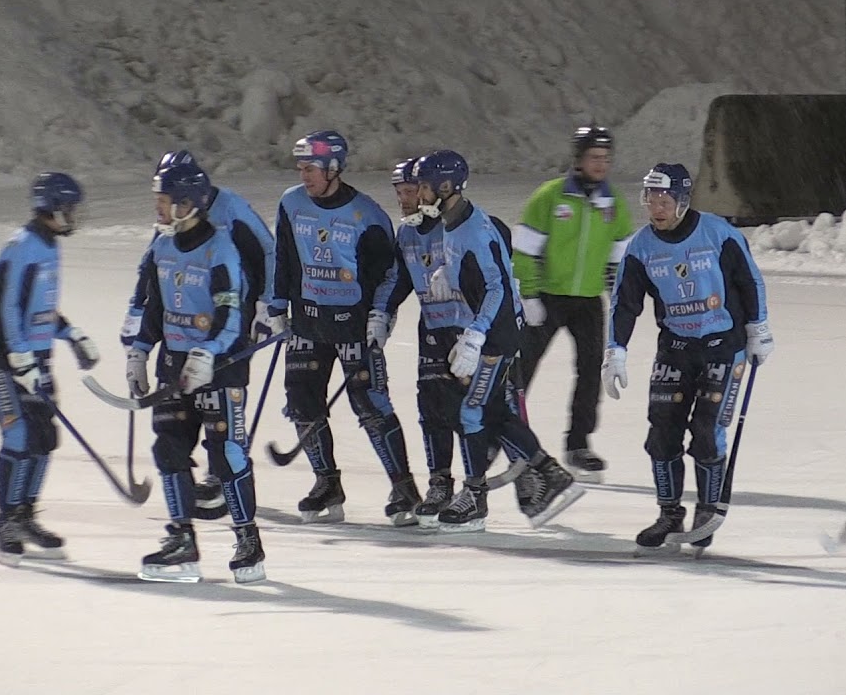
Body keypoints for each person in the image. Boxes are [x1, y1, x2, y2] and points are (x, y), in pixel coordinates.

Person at [605, 162, 772, 554]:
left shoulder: (718, 233)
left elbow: (750, 280)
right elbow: (624, 303)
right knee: (662, 432)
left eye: (664, 200)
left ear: (681, 201)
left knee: (707, 430)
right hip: (676, 348)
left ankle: (707, 509)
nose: (656, 208)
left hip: (724, 346)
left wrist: (759, 327)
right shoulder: (641, 247)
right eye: (651, 199)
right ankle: (669, 513)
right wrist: (616, 350)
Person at [416, 149, 585, 532]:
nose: (420, 193)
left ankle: (475, 496)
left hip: (497, 334)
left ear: (446, 186)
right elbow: (475, 268)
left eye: (425, 186)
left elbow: (496, 287)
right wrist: (447, 272)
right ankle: (550, 474)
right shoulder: (452, 222)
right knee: (492, 411)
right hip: (491, 330)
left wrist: (476, 336)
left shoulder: (474, 230)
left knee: (472, 412)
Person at [264, 130, 419, 525]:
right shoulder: (291, 203)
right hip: (307, 323)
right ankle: (326, 483)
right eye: (301, 168)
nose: (304, 176)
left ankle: (404, 488)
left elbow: (391, 273)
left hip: (353, 326)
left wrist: (381, 314)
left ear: (334, 168)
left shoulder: (367, 215)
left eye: (311, 169)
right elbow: (283, 255)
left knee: (370, 404)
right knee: (302, 403)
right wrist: (277, 304)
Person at [127, 163, 266, 584]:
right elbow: (154, 307)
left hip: (220, 369)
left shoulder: (220, 250)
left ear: (187, 204)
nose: (158, 209)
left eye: (164, 201)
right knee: (168, 449)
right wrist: (139, 351)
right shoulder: (161, 247)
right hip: (174, 367)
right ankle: (182, 539)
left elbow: (232, 315)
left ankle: (248, 540)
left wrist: (209, 352)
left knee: (228, 454)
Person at [0, 172, 100, 566]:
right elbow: (8, 307)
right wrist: (19, 357)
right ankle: (6, 524)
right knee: (19, 435)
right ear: (52, 208)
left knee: (43, 436)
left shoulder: (49, 245)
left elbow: (38, 309)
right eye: (69, 208)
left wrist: (71, 333)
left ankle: (25, 515)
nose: (74, 216)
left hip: (32, 356)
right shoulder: (24, 246)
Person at [511, 125, 634, 483]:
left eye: (606, 158)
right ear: (579, 159)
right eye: (594, 157)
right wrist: (529, 295)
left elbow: (618, 261)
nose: (601, 164)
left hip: (588, 301)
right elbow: (524, 251)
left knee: (590, 371)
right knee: (521, 368)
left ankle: (578, 444)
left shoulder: (614, 204)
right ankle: (500, 435)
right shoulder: (550, 196)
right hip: (547, 297)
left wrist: (619, 299)